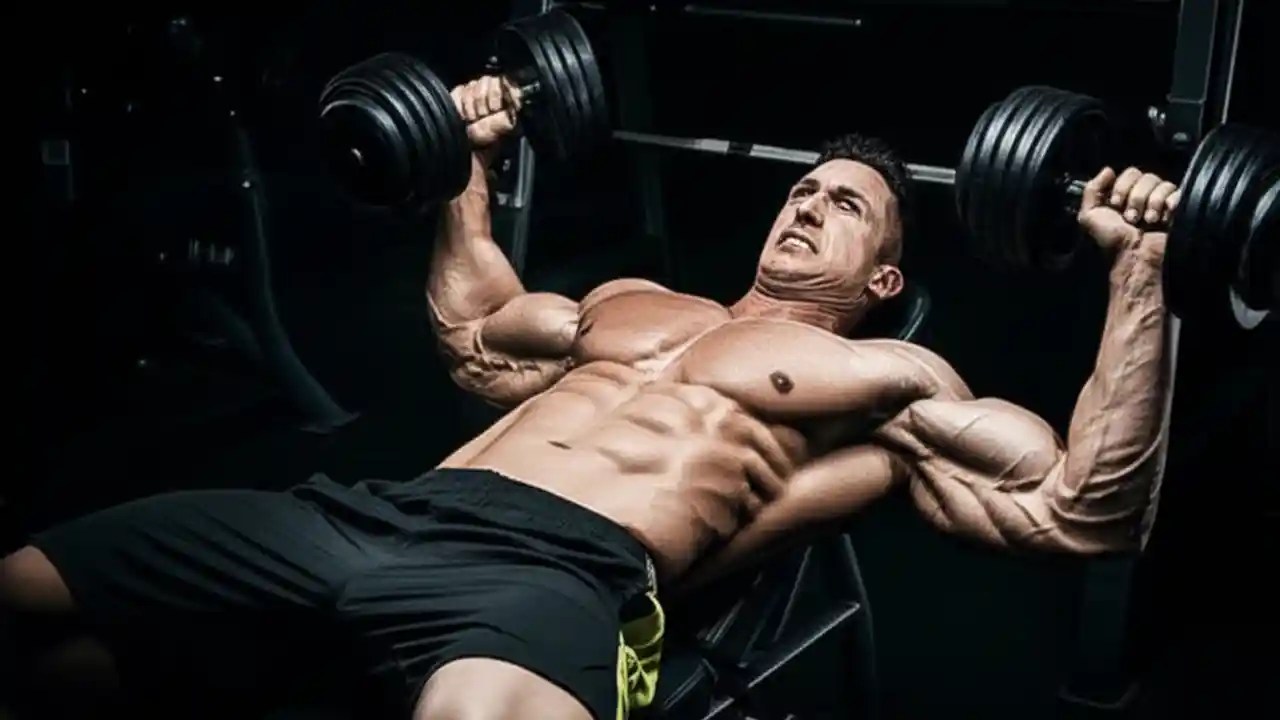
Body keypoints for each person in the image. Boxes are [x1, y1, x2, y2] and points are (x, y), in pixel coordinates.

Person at [2, 76, 1179, 720]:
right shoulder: (631, 302)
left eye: (844, 204)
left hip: (552, 575)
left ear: (885, 278)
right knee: (27, 602)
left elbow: (1081, 506)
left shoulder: (883, 382)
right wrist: (465, 162)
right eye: (804, 188)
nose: (806, 204)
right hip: (373, 514)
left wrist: (1137, 269)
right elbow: (474, 334)